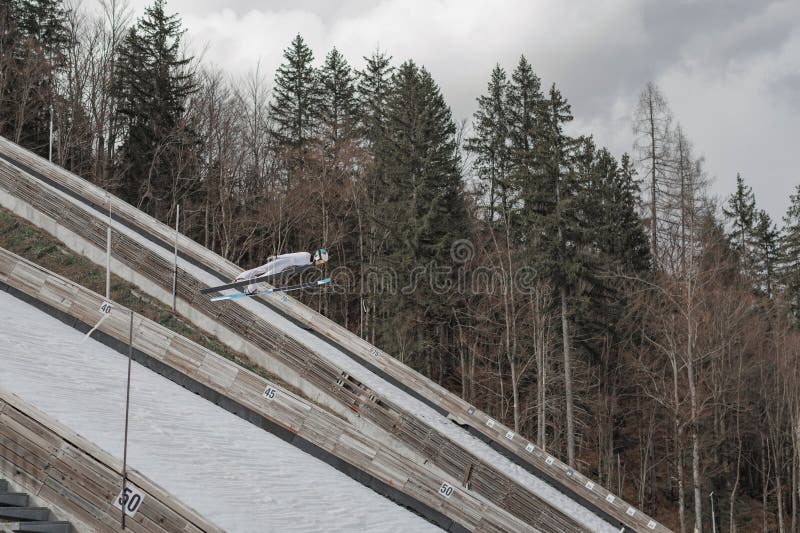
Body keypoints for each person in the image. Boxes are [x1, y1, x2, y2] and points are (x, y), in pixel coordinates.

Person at [235, 248, 328, 294]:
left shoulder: (309, 262)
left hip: (283, 266)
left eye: (322, 262)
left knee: (264, 275)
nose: (320, 263)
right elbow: (290, 255)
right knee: (262, 270)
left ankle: (250, 289)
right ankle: (241, 278)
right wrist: (277, 257)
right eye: (321, 261)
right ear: (317, 257)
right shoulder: (306, 256)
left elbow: (295, 267)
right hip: (281, 262)